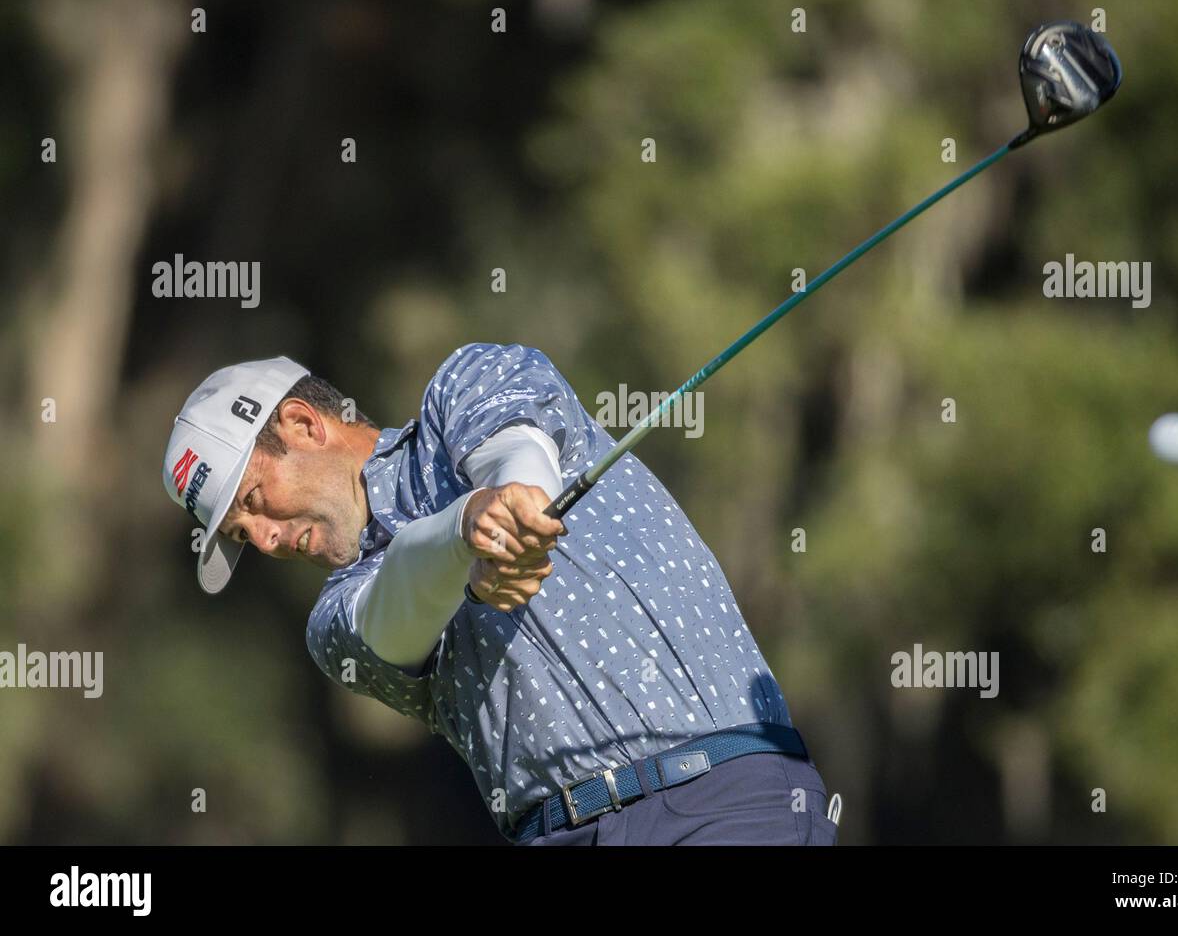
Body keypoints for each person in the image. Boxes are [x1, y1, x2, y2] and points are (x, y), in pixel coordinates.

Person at [162, 343, 838, 845]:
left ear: (306, 426)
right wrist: (464, 531)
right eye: (243, 536)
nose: (266, 538)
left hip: (721, 803)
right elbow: (396, 618)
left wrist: (514, 507)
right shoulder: (335, 622)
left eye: (253, 501)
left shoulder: (466, 383)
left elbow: (519, 452)